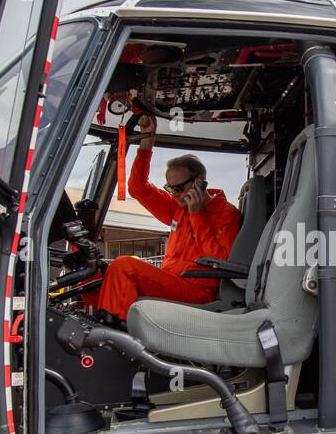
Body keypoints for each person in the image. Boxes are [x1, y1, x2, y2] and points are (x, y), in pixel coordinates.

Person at [93, 114, 242, 325]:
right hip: (172, 280)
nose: (175, 194)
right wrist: (147, 142)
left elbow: (222, 262)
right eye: (170, 189)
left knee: (124, 266)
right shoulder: (177, 207)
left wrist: (197, 215)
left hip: (198, 289)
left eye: (179, 188)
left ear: (200, 183)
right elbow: (138, 189)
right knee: (98, 275)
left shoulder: (227, 214)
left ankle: (115, 333)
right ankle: (102, 324)